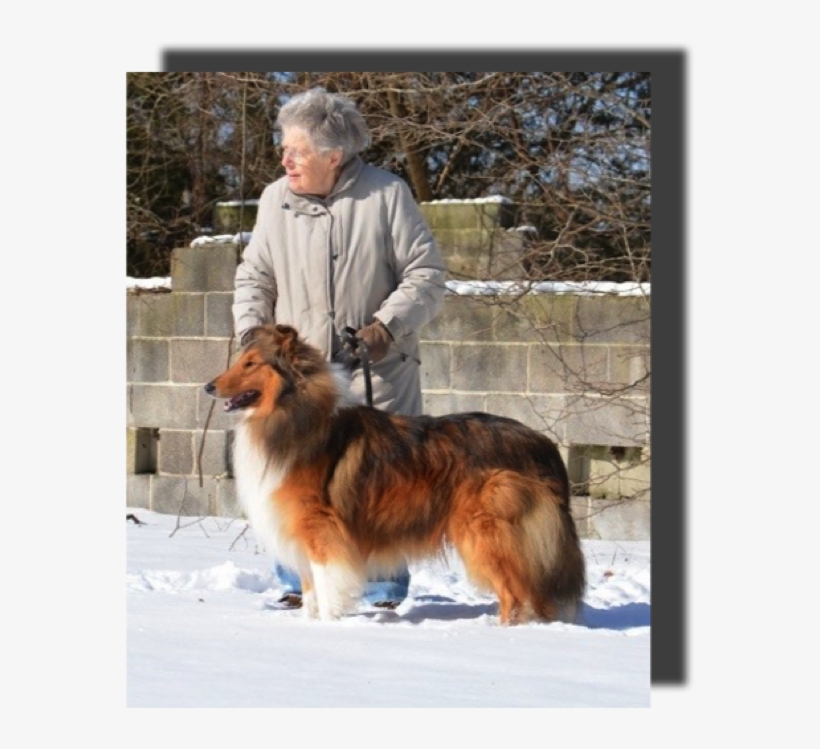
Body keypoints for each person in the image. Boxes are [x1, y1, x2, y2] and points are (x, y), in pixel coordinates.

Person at [232, 87, 446, 610]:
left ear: (334, 156)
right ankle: (299, 582)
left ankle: (381, 591)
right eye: (283, 147)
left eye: (297, 150)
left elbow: (428, 273)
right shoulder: (273, 200)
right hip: (301, 379)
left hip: (377, 369)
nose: (286, 158)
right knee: (294, 474)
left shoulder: (386, 194)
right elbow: (254, 275)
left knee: (381, 482)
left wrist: (385, 327)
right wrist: (250, 338)